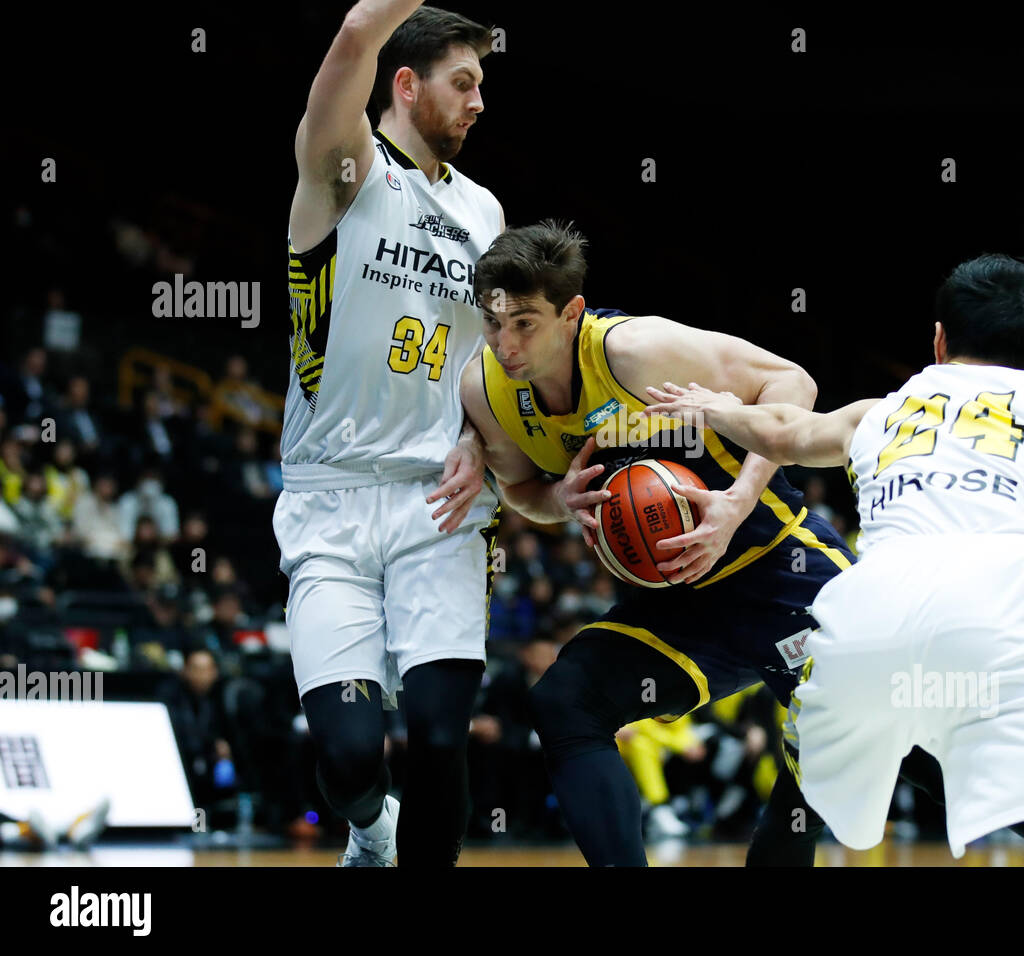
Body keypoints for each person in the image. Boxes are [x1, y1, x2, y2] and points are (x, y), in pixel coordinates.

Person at [643, 253, 1024, 865]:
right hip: (1002, 609)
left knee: (793, 817)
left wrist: (719, 410)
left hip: (864, 620)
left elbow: (782, 433)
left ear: (938, 341)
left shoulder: (877, 412)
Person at [456, 220, 854, 866]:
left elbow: (792, 384)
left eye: (524, 323)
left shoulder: (638, 351)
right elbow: (523, 489)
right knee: (565, 703)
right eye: (493, 322)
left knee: (873, 738)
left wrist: (736, 501)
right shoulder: (487, 390)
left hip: (778, 569)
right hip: (676, 605)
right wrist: (556, 501)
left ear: (572, 313)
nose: (506, 343)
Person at [275, 1, 504, 867]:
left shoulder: (486, 211)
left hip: (438, 502)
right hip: (330, 498)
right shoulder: (343, 171)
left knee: (444, 739)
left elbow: (490, 364)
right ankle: (371, 828)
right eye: (464, 82)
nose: (479, 101)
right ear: (404, 85)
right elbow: (350, 41)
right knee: (346, 755)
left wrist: (482, 443)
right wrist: (374, 18)